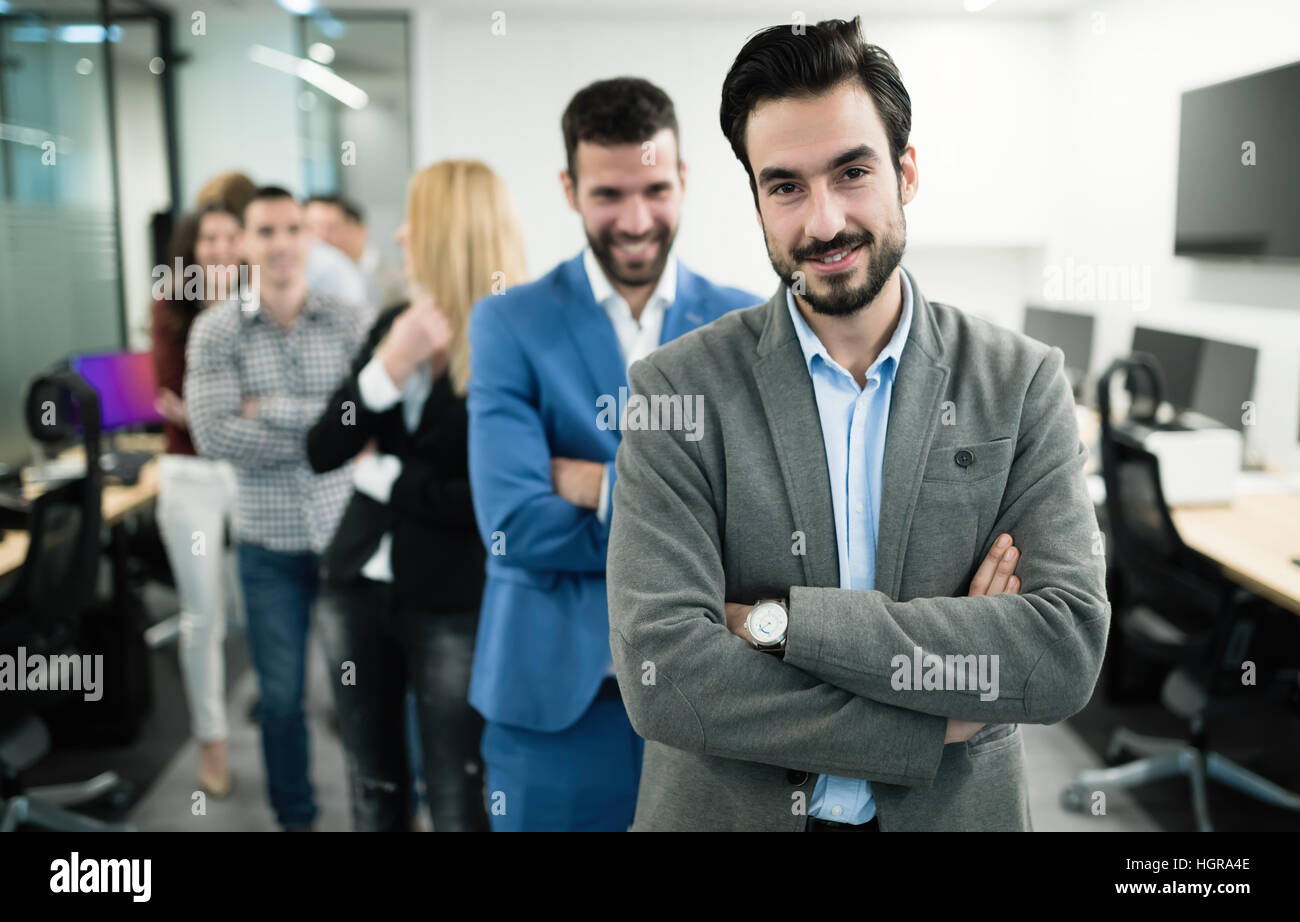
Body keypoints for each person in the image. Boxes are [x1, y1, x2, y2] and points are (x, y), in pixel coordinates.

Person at [605, 16, 1110, 832]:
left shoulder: (1021, 383)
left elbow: (1060, 650)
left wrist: (780, 625)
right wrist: (938, 713)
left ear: (905, 171)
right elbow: (664, 671)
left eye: (852, 171)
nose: (825, 221)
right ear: (757, 200)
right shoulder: (675, 390)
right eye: (786, 186)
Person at [466, 77, 759, 832]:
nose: (635, 220)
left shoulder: (744, 323)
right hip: (556, 702)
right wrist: (683, 510)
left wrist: (594, 481)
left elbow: (761, 520)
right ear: (569, 189)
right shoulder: (509, 322)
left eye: (656, 189)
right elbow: (514, 523)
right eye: (608, 194)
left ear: (685, 179)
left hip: (710, 699)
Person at [307, 160, 526, 832]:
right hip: (355, 585)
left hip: (452, 601)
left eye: (414, 221)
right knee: (374, 789)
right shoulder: (397, 324)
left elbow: (490, 499)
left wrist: (387, 475)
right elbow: (324, 450)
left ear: (449, 232)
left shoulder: (514, 338)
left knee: (459, 793)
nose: (400, 235)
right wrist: (387, 368)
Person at [185, 185, 368, 831]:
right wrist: (325, 432)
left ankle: (385, 814)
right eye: (266, 231)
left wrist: (268, 411)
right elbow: (214, 434)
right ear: (245, 244)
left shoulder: (349, 321)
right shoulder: (215, 331)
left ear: (307, 238)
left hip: (348, 539)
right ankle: (297, 819)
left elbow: (367, 423)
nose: (283, 243)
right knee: (283, 701)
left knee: (362, 695)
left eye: (293, 228)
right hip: (268, 547)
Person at [150, 203, 244, 798]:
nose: (220, 248)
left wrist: (226, 412)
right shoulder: (171, 306)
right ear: (193, 247)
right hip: (191, 475)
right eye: (208, 238)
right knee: (202, 615)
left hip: (251, 472)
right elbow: (173, 400)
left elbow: (267, 398)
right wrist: (237, 411)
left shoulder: (260, 305)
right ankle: (212, 740)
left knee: (265, 603)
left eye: (231, 236)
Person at [305, 195, 406, 314]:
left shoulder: (395, 283)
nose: (320, 237)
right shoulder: (302, 282)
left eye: (330, 228)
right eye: (310, 228)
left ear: (361, 229)